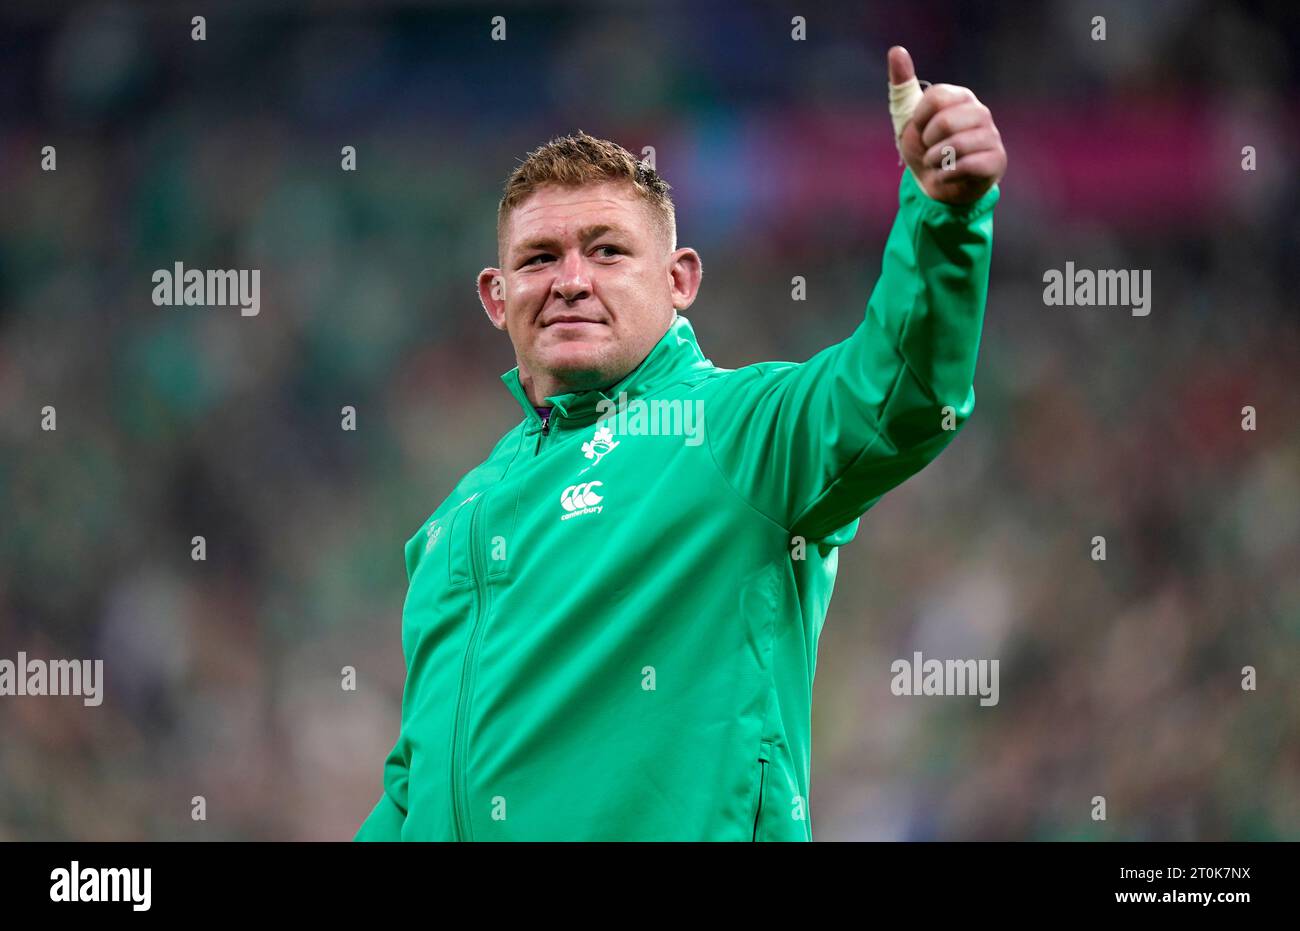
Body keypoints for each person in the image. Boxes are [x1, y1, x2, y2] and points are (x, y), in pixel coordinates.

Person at [356, 46, 1006, 841]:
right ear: (497, 298)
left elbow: (900, 392)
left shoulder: (736, 431)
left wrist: (944, 219)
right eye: (538, 258)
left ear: (680, 279)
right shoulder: (452, 522)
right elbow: (415, 784)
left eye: (606, 250)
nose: (570, 280)